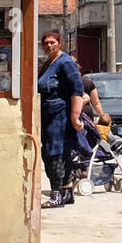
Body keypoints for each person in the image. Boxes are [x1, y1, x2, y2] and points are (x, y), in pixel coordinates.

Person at [38, 31, 84, 208]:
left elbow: (77, 88)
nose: (49, 46)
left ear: (60, 44)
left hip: (60, 117)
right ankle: (67, 194)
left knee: (54, 155)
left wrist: (75, 116)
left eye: (52, 42)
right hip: (49, 117)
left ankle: (56, 196)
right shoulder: (49, 63)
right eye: (46, 43)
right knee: (58, 155)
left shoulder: (65, 62)